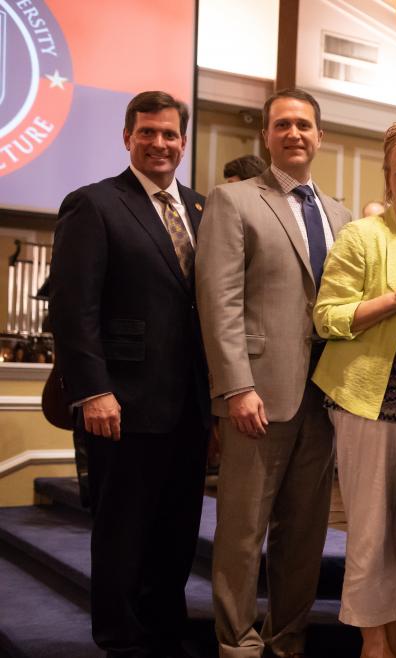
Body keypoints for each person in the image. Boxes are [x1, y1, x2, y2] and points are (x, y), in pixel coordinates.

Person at [50, 90, 210, 656]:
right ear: (127, 137)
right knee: (122, 530)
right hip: (122, 403)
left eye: (169, 134)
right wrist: (94, 390)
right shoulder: (93, 204)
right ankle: (120, 636)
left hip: (190, 404)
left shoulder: (200, 209)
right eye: (147, 133)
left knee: (176, 529)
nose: (159, 144)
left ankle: (164, 628)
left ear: (183, 143)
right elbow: (73, 309)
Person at [196, 88, 352, 658]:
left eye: (304, 125)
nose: (294, 134)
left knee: (305, 535)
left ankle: (288, 641)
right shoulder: (234, 200)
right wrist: (236, 387)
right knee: (242, 532)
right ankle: (237, 642)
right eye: (282, 124)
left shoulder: (339, 213)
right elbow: (220, 303)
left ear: (319, 136)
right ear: (266, 136)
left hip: (322, 396)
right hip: (257, 396)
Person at [312, 116, 396, 658]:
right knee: (369, 530)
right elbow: (326, 317)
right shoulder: (361, 236)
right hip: (366, 402)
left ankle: (393, 635)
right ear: (386, 180)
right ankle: (372, 641)